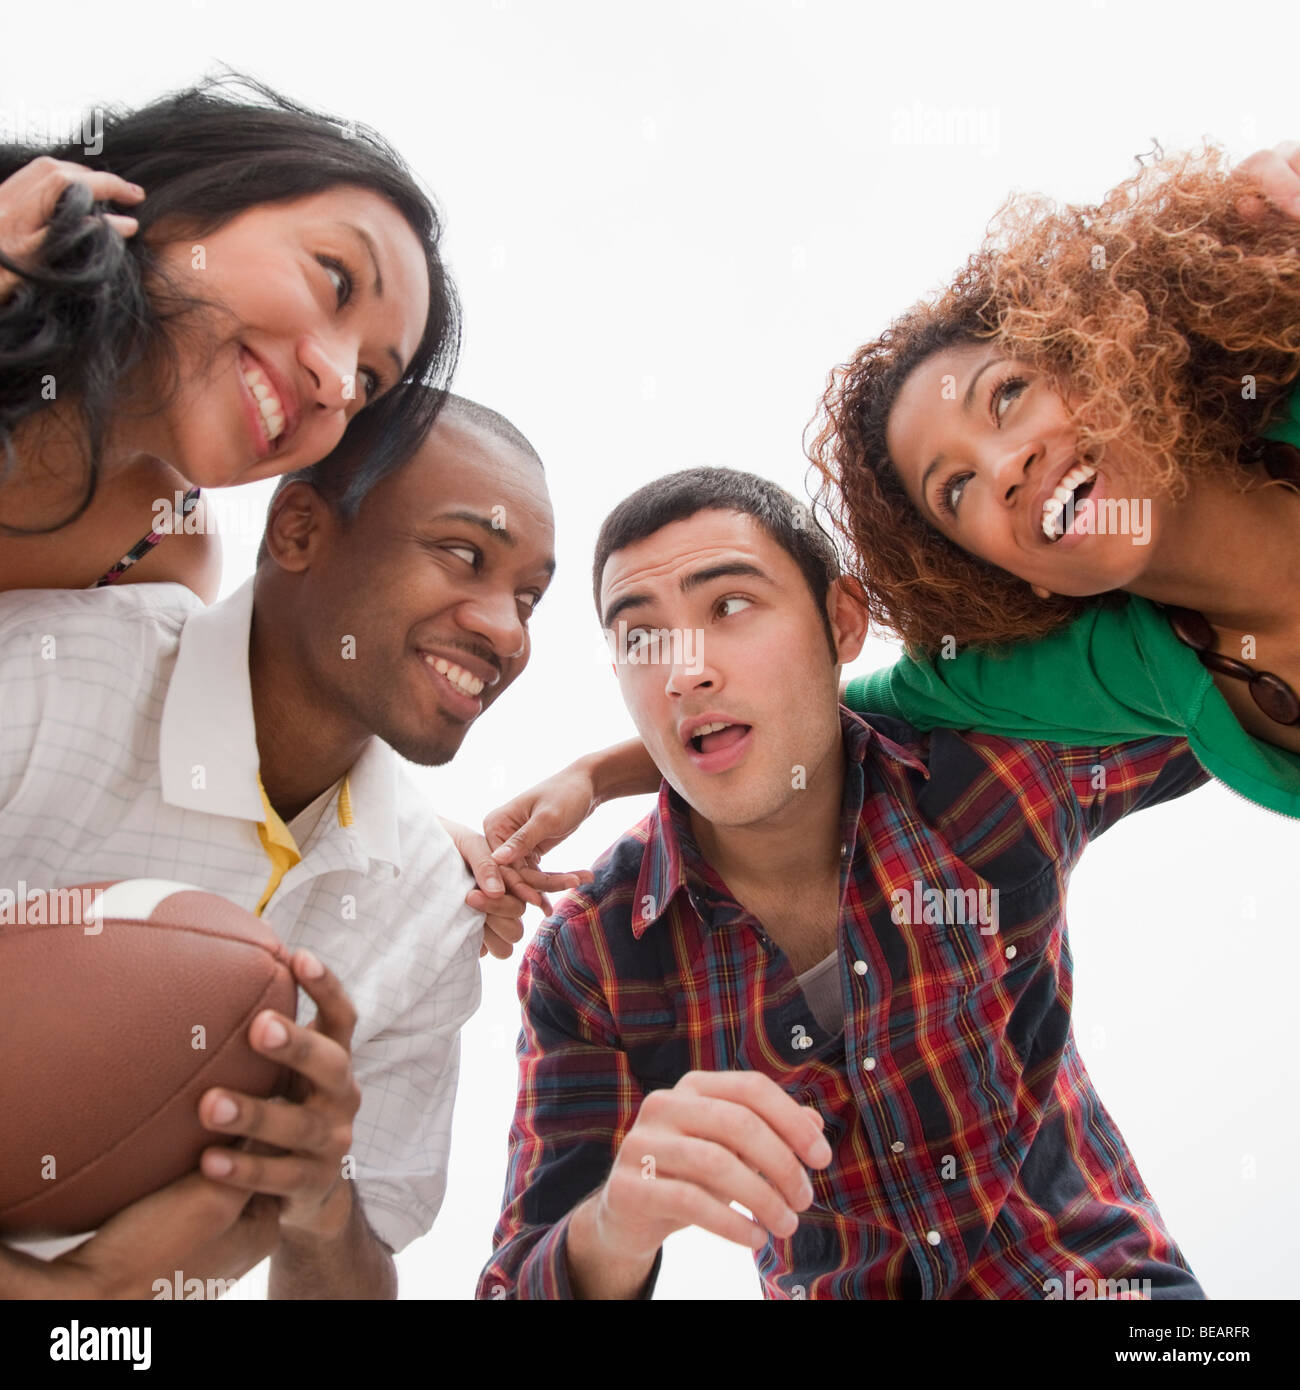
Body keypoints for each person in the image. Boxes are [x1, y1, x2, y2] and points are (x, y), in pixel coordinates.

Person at [477, 468, 1208, 1300]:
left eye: (729, 606)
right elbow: (512, 1285)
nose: (684, 673)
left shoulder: (989, 771)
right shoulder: (593, 958)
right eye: (641, 639)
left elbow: (1233, 662)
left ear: (843, 622)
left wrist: (599, 772)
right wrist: (614, 1223)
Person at [0, 391, 567, 1298]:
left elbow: (358, 1277)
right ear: (299, 531)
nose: (508, 630)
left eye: (529, 598)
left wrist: (320, 1202)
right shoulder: (47, 682)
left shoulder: (433, 907)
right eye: (465, 555)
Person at [0, 72, 458, 600]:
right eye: (336, 280)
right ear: (188, 199)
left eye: (368, 380)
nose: (338, 385)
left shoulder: (164, 555)